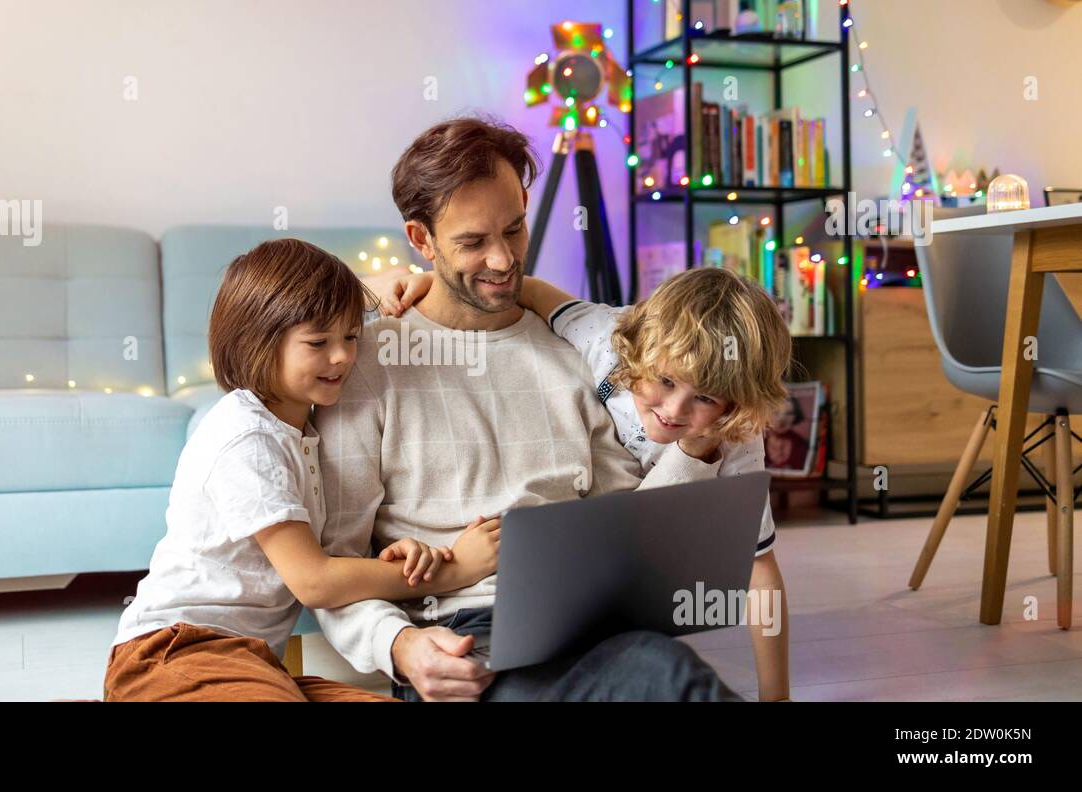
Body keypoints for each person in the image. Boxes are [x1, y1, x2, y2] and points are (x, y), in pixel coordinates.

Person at [312, 116, 742, 702]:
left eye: (514, 230)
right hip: (456, 642)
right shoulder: (363, 367)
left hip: (588, 627)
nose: (503, 260)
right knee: (664, 678)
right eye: (472, 242)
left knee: (665, 671)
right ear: (420, 240)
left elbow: (628, 526)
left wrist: (697, 448)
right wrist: (400, 647)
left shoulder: (570, 355)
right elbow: (333, 566)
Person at [103, 238, 499, 701]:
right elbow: (314, 580)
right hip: (176, 651)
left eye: (351, 337)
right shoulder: (247, 436)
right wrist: (455, 572)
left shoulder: (302, 431)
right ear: (256, 341)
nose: (342, 357)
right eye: (318, 343)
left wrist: (397, 556)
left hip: (254, 662)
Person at [383, 265, 793, 700]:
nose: (674, 409)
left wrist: (776, 694)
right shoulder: (603, 335)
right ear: (640, 349)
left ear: (734, 407)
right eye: (666, 380)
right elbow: (533, 290)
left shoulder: (736, 437)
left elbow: (760, 568)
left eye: (705, 398)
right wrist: (430, 280)